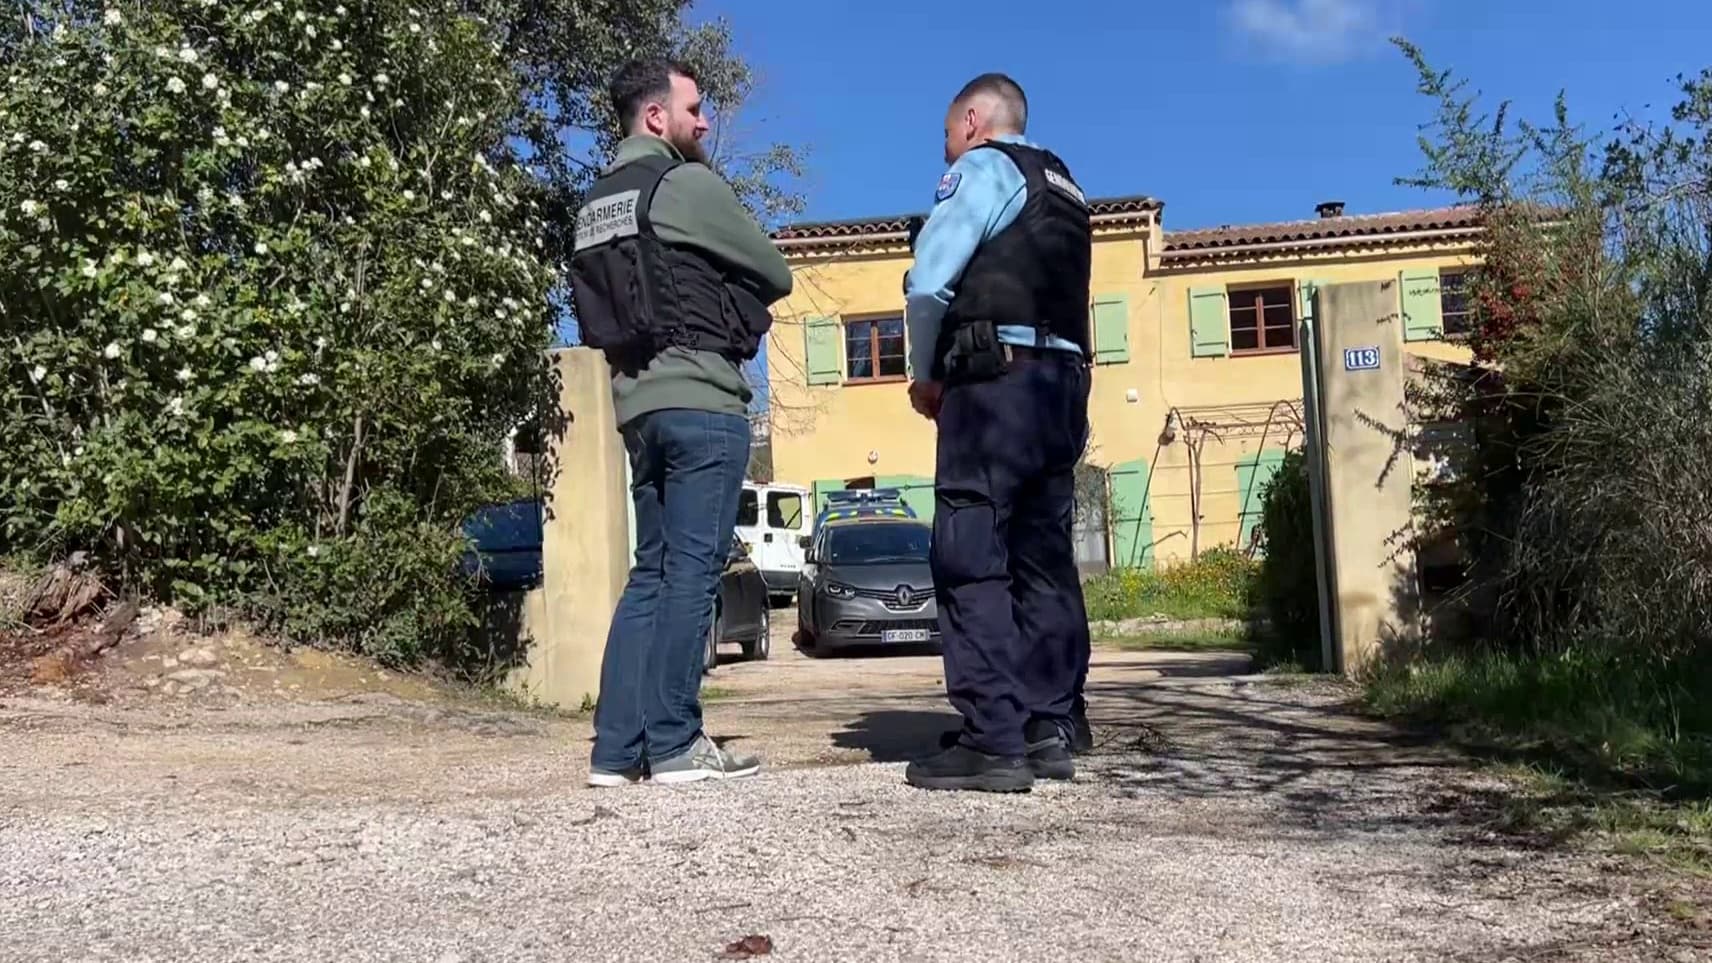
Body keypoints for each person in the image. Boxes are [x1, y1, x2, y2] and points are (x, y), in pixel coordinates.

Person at [568, 57, 793, 787]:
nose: (704, 121)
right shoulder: (687, 184)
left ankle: (615, 751)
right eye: (694, 109)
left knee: (652, 572)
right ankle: (674, 743)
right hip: (702, 400)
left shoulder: (596, 204)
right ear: (656, 116)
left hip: (638, 408)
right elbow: (776, 271)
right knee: (694, 573)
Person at [902, 73, 1095, 793]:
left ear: (973, 121)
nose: (945, 153)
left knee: (971, 552)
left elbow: (929, 284)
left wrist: (926, 374)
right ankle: (1049, 724)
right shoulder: (1067, 188)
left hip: (994, 385)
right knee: (1044, 559)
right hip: (1061, 386)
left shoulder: (983, 169)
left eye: (947, 136)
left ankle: (992, 739)